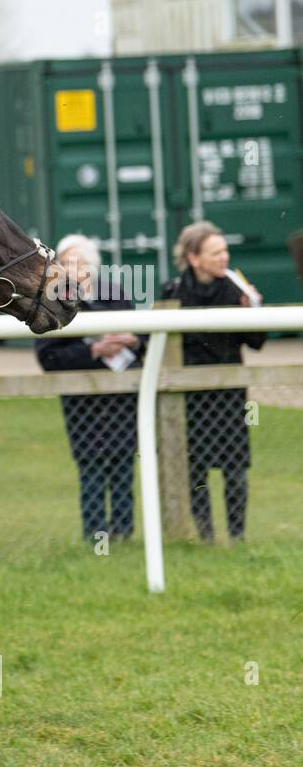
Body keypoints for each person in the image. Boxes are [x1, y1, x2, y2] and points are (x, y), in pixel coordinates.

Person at [35, 234, 145, 543]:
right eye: (66, 263)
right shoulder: (54, 300)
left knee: (123, 466)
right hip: (83, 403)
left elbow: (142, 341)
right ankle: (96, 537)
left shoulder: (115, 294)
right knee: (92, 470)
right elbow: (48, 357)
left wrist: (131, 341)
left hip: (121, 398)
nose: (72, 269)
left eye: (79, 263)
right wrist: (94, 351)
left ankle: (123, 535)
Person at [163, 222, 266, 542]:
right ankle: (206, 538)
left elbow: (258, 342)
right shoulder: (172, 292)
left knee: (235, 472)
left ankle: (237, 538)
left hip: (230, 396)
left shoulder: (237, 290)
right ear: (194, 258)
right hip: (189, 397)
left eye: (225, 251)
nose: (224, 257)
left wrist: (253, 312)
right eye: (215, 252)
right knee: (196, 471)